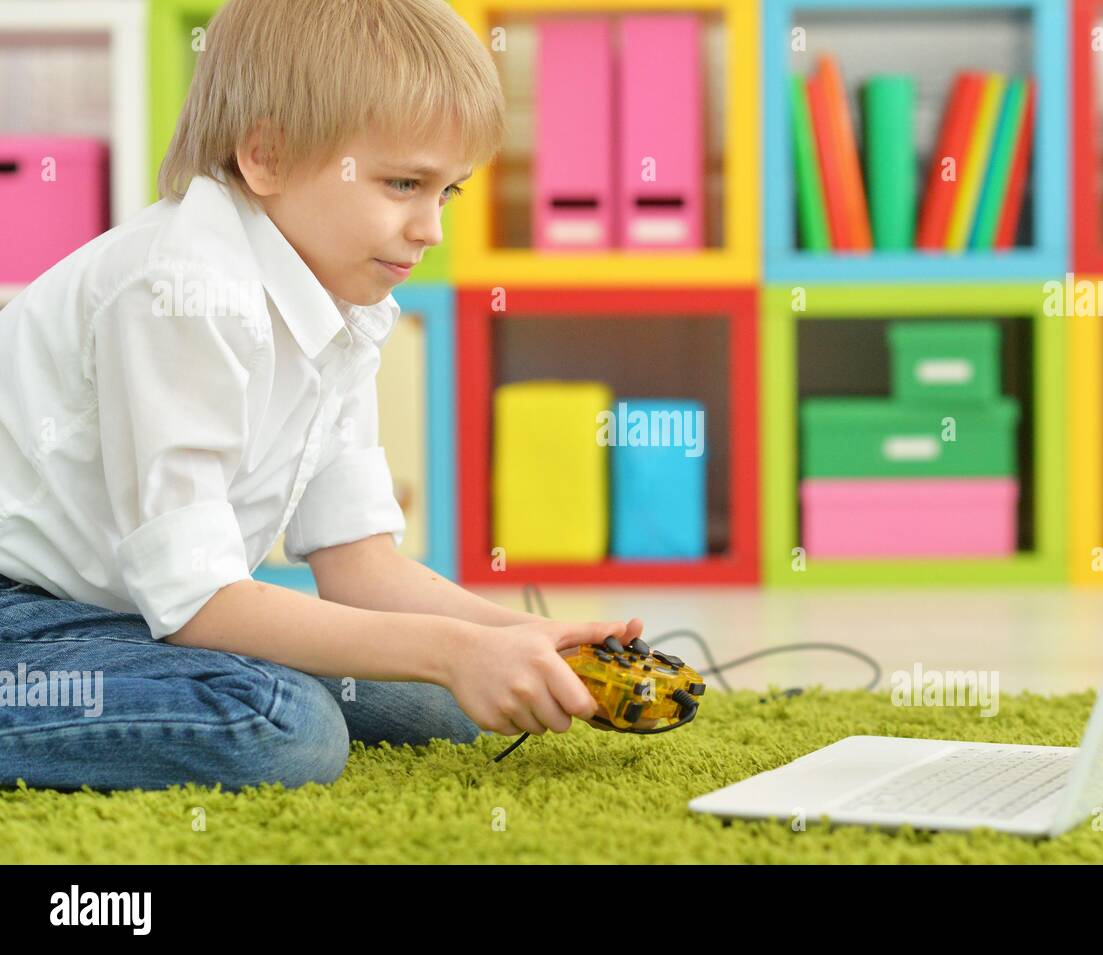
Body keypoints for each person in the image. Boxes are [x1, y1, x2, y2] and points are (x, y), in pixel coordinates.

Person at [0, 0, 643, 793]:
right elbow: (201, 604)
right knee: (287, 728)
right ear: (267, 154)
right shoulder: (182, 292)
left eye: (447, 193)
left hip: (122, 612)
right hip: (22, 610)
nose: (429, 228)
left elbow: (359, 566)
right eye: (403, 183)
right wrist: (452, 651)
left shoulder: (345, 303)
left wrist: (527, 635)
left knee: (438, 708)